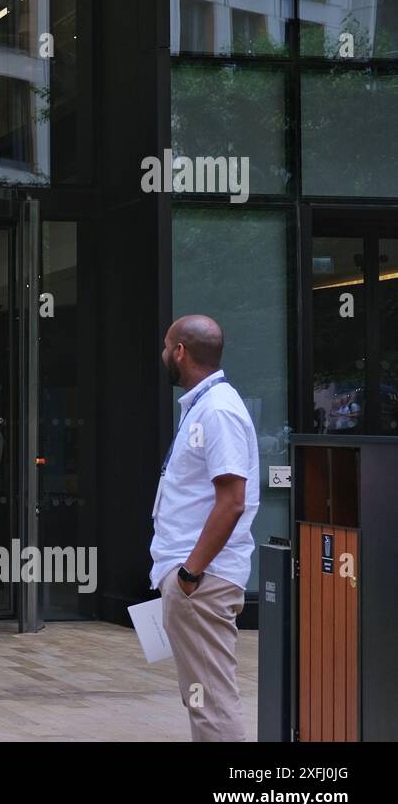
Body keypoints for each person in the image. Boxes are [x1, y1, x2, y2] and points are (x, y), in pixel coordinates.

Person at [152, 314, 260, 741]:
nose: (163, 354)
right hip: (196, 577)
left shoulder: (218, 410)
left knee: (210, 700)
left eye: (166, 346)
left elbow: (232, 501)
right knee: (200, 698)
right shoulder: (205, 405)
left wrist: (190, 574)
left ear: (179, 351)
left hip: (203, 580)